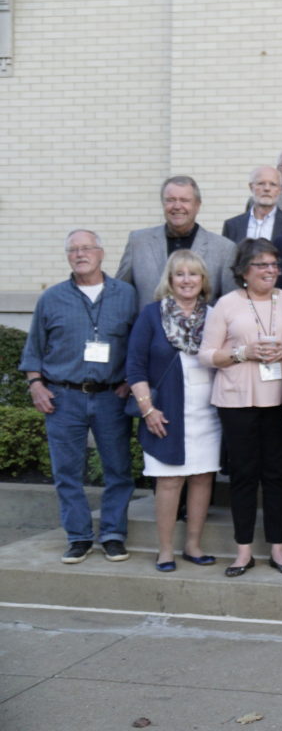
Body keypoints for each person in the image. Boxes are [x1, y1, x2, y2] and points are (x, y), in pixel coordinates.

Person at [20, 230, 139, 565]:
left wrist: (132, 380)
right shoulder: (52, 298)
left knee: (118, 469)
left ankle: (113, 534)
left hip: (110, 396)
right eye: (72, 249)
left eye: (86, 248)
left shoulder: (126, 295)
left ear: (101, 253)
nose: (79, 254)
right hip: (62, 396)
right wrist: (35, 384)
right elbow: (34, 348)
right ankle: (79, 537)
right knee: (67, 471)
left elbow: (139, 344)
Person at [199, 238, 282, 577]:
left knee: (276, 477)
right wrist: (244, 353)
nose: (270, 271)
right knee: (243, 477)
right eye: (262, 265)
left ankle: (278, 551)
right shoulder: (226, 304)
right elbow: (206, 355)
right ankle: (243, 552)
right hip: (236, 401)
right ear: (243, 271)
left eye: (274, 265)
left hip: (279, 402)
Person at [126, 250, 220, 572]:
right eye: (179, 274)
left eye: (193, 274)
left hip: (207, 411)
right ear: (169, 280)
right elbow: (135, 366)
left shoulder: (214, 315)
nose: (187, 280)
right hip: (165, 411)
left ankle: (193, 545)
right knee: (169, 480)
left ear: (203, 280)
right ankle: (165, 550)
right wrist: (147, 409)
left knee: (203, 477)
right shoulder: (152, 315)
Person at [118, 175, 238, 302]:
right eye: (170, 200)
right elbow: (120, 293)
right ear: (162, 203)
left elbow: (230, 303)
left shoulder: (224, 249)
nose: (177, 206)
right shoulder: (138, 242)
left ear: (197, 205)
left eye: (184, 200)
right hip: (148, 322)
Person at [222, 166, 282, 242]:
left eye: (273, 184)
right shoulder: (232, 226)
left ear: (280, 190)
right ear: (251, 187)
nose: (267, 188)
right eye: (261, 183)